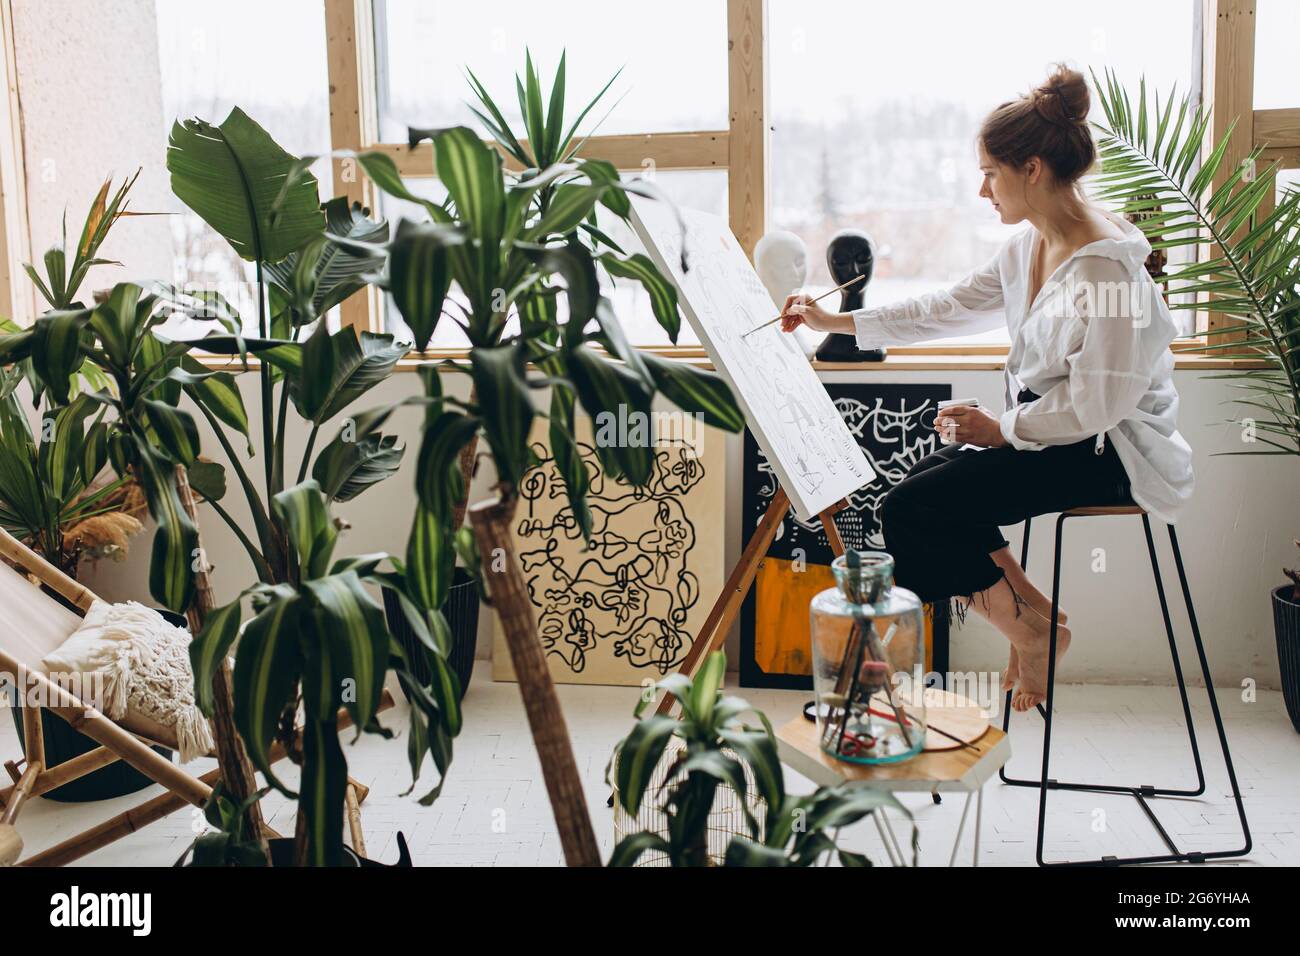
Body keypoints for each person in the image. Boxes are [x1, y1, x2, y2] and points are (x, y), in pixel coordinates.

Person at [778, 65, 1193, 712]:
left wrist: (1001, 428)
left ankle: (1028, 632)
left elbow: (1100, 404)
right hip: (1057, 433)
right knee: (925, 484)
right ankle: (1035, 621)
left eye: (989, 172)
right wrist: (834, 320)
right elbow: (944, 308)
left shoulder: (1108, 268)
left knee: (915, 508)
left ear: (1031, 169)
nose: (980, 190)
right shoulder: (1030, 246)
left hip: (1111, 452)